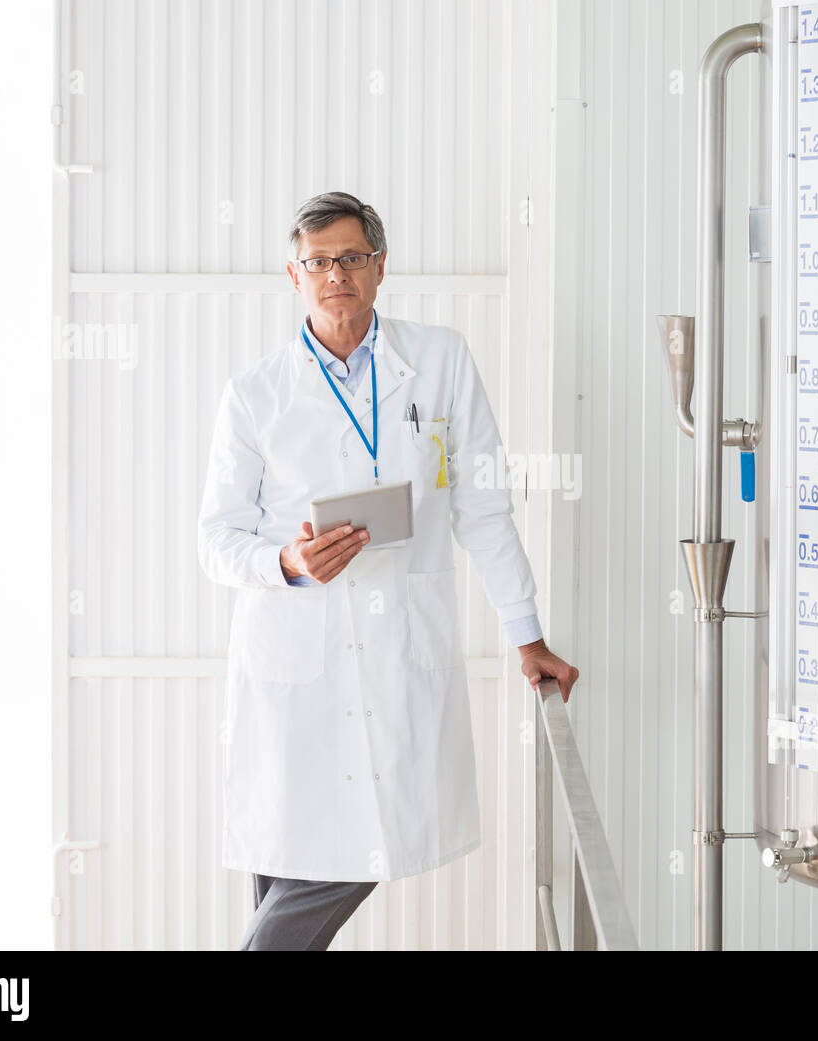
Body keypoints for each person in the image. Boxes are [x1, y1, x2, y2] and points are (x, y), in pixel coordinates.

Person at [197, 191, 579, 950]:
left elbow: (484, 508)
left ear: (380, 267)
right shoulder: (254, 394)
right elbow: (215, 540)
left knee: (337, 854)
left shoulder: (438, 362)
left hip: (400, 648)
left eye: (351, 257)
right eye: (318, 261)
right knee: (289, 868)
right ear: (293, 275)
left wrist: (524, 633)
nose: (335, 273)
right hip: (294, 660)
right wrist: (288, 561)